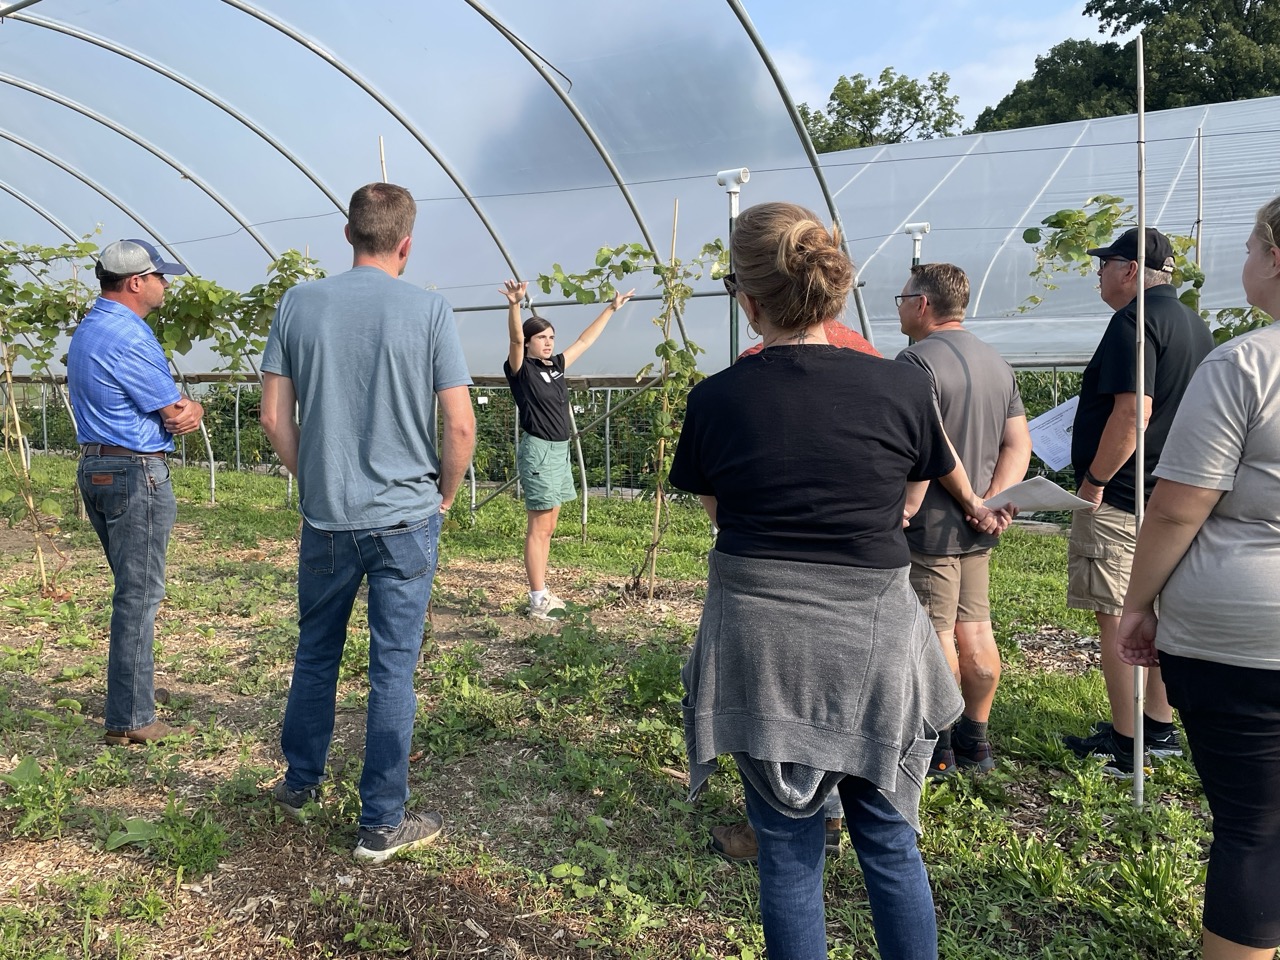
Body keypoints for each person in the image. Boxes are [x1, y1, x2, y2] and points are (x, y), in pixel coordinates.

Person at [671, 201, 1006, 960]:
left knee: (789, 856)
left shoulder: (716, 400)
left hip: (762, 652)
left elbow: (719, 510)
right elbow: (914, 494)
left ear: (748, 300)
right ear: (834, 289)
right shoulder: (900, 388)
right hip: (872, 646)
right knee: (889, 843)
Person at [261, 182, 476, 863]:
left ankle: (299, 785)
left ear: (348, 234)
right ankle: (381, 822)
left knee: (317, 652)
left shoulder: (298, 303)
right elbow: (461, 423)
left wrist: (315, 476)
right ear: (405, 244)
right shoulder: (430, 311)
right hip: (405, 517)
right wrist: (443, 493)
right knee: (392, 668)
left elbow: (274, 417)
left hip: (326, 517)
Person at [1116, 198, 1280, 960]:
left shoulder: (1248, 362)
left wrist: (1139, 603)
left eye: (1250, 244)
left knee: (1254, 826)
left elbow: (1180, 508)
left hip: (1243, 628)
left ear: (1275, 259)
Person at [1060, 226, 1214, 775]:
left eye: (1104, 264)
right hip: (1171, 494)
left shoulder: (1134, 322)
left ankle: (1127, 745)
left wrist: (1096, 480)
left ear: (1129, 270)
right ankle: (1159, 726)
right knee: (1159, 615)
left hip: (1125, 497)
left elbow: (1134, 412)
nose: (1098, 274)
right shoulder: (1194, 325)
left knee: (1118, 618)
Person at [67, 239, 204, 746]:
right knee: (140, 594)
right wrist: (194, 410)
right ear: (136, 282)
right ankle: (130, 718)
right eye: (161, 276)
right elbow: (175, 412)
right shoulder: (128, 335)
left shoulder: (91, 328)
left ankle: (134, 692)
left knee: (132, 588)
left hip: (99, 468)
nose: (166, 284)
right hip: (134, 472)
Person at [896, 263, 1031, 777]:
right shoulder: (996, 361)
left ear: (923, 303)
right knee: (975, 629)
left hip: (931, 524)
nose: (901, 307)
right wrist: (996, 501)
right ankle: (977, 740)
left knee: (936, 636)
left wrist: (972, 499)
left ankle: (940, 748)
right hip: (980, 532)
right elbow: (1018, 442)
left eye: (903, 297)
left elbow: (932, 444)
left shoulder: (914, 363)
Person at [500, 279, 633, 620]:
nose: (548, 343)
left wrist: (611, 309)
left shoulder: (556, 366)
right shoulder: (520, 369)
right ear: (529, 342)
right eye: (541, 337)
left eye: (551, 337)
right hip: (539, 451)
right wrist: (515, 304)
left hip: (559, 452)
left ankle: (541, 592)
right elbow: (514, 339)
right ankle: (536, 600)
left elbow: (586, 340)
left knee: (550, 527)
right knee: (539, 527)